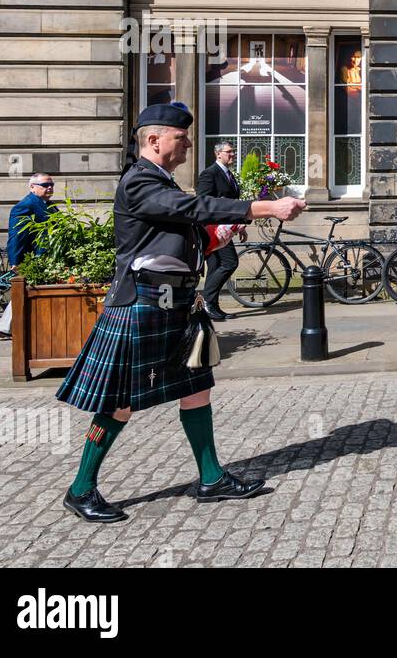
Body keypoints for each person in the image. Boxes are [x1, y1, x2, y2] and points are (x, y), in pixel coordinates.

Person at [54, 103, 307, 523]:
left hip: (177, 304)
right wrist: (265, 207)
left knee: (197, 390)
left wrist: (213, 239)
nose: (189, 142)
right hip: (141, 305)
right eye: (181, 136)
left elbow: (180, 236)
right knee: (119, 403)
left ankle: (211, 479)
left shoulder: (162, 182)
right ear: (154, 140)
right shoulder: (139, 181)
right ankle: (80, 489)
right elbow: (191, 209)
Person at [0, 173, 58, 340]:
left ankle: (5, 328)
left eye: (51, 184)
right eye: (45, 185)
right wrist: (15, 260)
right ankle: (5, 328)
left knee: (26, 291)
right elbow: (16, 235)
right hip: (34, 257)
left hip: (46, 257)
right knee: (25, 290)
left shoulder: (48, 205)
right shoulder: (26, 205)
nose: (49, 187)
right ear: (32, 187)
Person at [195, 141, 244, 321]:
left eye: (233, 152)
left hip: (224, 229)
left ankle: (211, 307)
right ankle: (207, 300)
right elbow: (203, 201)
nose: (232, 154)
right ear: (218, 154)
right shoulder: (210, 174)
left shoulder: (228, 174)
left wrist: (238, 224)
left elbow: (232, 201)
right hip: (212, 230)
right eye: (229, 152)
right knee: (230, 263)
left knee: (215, 266)